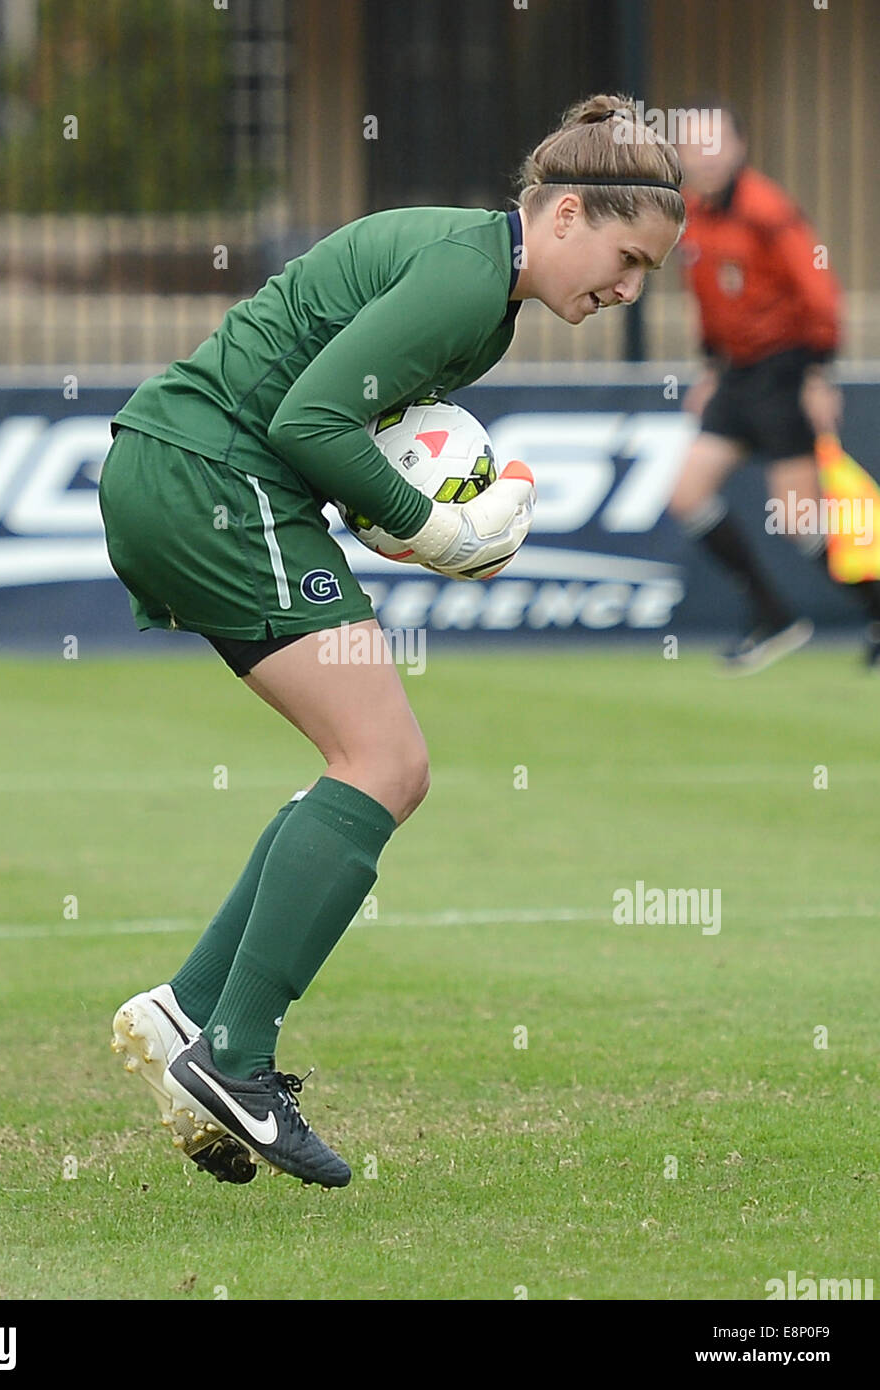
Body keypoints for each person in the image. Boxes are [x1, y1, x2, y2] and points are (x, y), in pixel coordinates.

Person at [98, 93, 684, 1189]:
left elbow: (338, 428)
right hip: (210, 479)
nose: (629, 289)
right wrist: (434, 527)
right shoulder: (468, 279)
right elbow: (308, 422)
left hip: (203, 476)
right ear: (561, 214)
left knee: (370, 763)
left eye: (647, 271)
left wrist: (411, 524)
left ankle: (189, 1010)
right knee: (385, 761)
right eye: (626, 255)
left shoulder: (481, 288)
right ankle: (235, 1058)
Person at [670, 101, 880, 672]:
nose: (703, 155)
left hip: (784, 371)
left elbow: (820, 292)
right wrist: (712, 367)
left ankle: (874, 604)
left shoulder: (768, 210)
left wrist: (817, 373)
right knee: (687, 495)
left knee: (797, 518)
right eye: (692, 145)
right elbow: (713, 298)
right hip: (736, 375)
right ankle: (774, 616)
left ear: (739, 148)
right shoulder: (691, 212)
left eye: (714, 143)